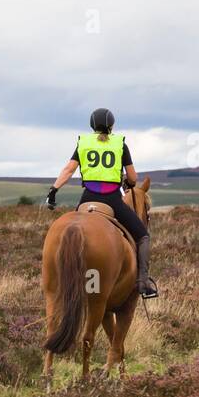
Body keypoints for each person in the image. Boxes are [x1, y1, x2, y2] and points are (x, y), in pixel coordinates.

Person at [46, 107, 158, 298]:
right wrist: (129, 183)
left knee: (72, 230)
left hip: (87, 198)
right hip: (112, 199)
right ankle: (143, 282)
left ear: (92, 126)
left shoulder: (83, 143)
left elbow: (68, 170)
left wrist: (53, 191)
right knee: (142, 236)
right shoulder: (120, 144)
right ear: (111, 126)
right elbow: (132, 176)